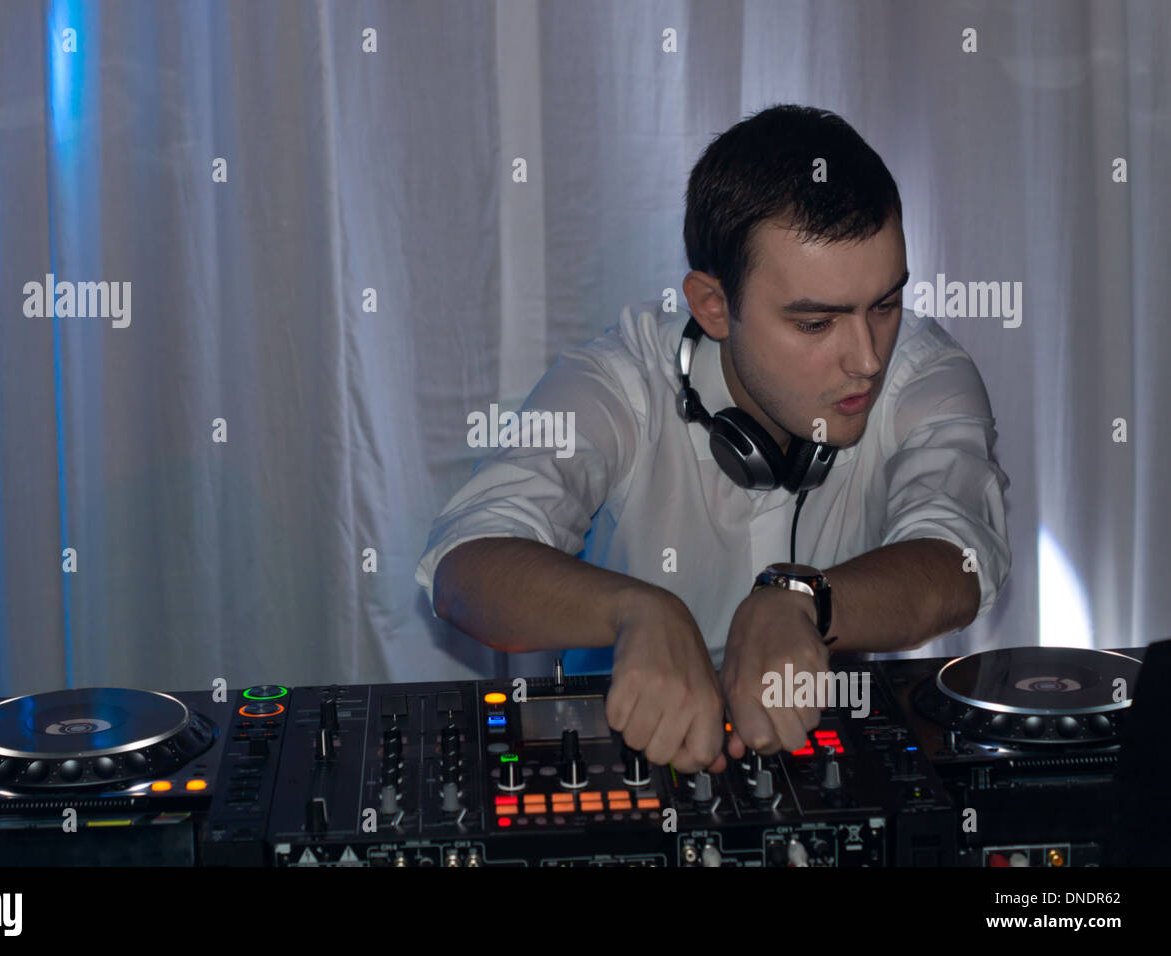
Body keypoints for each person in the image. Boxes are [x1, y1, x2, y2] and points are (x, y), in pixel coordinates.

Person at [415, 104, 1011, 777]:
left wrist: (806, 600)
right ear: (713, 305)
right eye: (816, 324)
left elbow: (958, 561)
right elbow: (464, 565)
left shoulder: (926, 374)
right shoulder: (618, 382)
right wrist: (635, 609)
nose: (868, 358)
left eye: (885, 304)